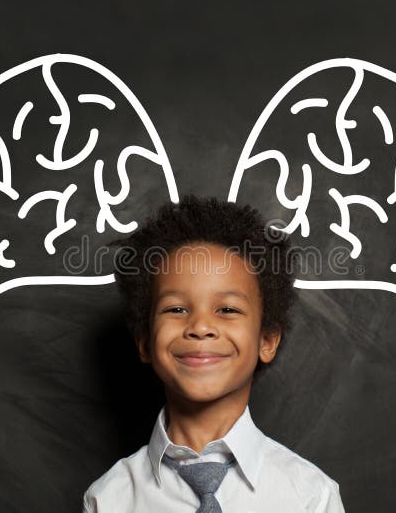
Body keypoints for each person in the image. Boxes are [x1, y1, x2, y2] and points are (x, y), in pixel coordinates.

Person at [82, 194, 345, 512]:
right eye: (176, 308)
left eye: (228, 309)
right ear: (144, 342)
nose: (201, 326)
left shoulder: (311, 497)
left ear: (267, 340)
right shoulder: (108, 500)